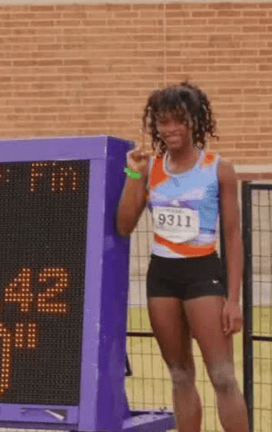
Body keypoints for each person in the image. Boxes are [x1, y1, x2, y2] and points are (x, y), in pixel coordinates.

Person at [117, 81, 249, 432]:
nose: (170, 129)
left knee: (222, 376)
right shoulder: (149, 169)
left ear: (195, 121)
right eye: (162, 122)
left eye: (178, 120)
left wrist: (233, 300)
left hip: (203, 274)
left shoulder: (219, 169)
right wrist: (132, 174)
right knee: (179, 375)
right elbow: (125, 225)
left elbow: (234, 238)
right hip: (162, 277)